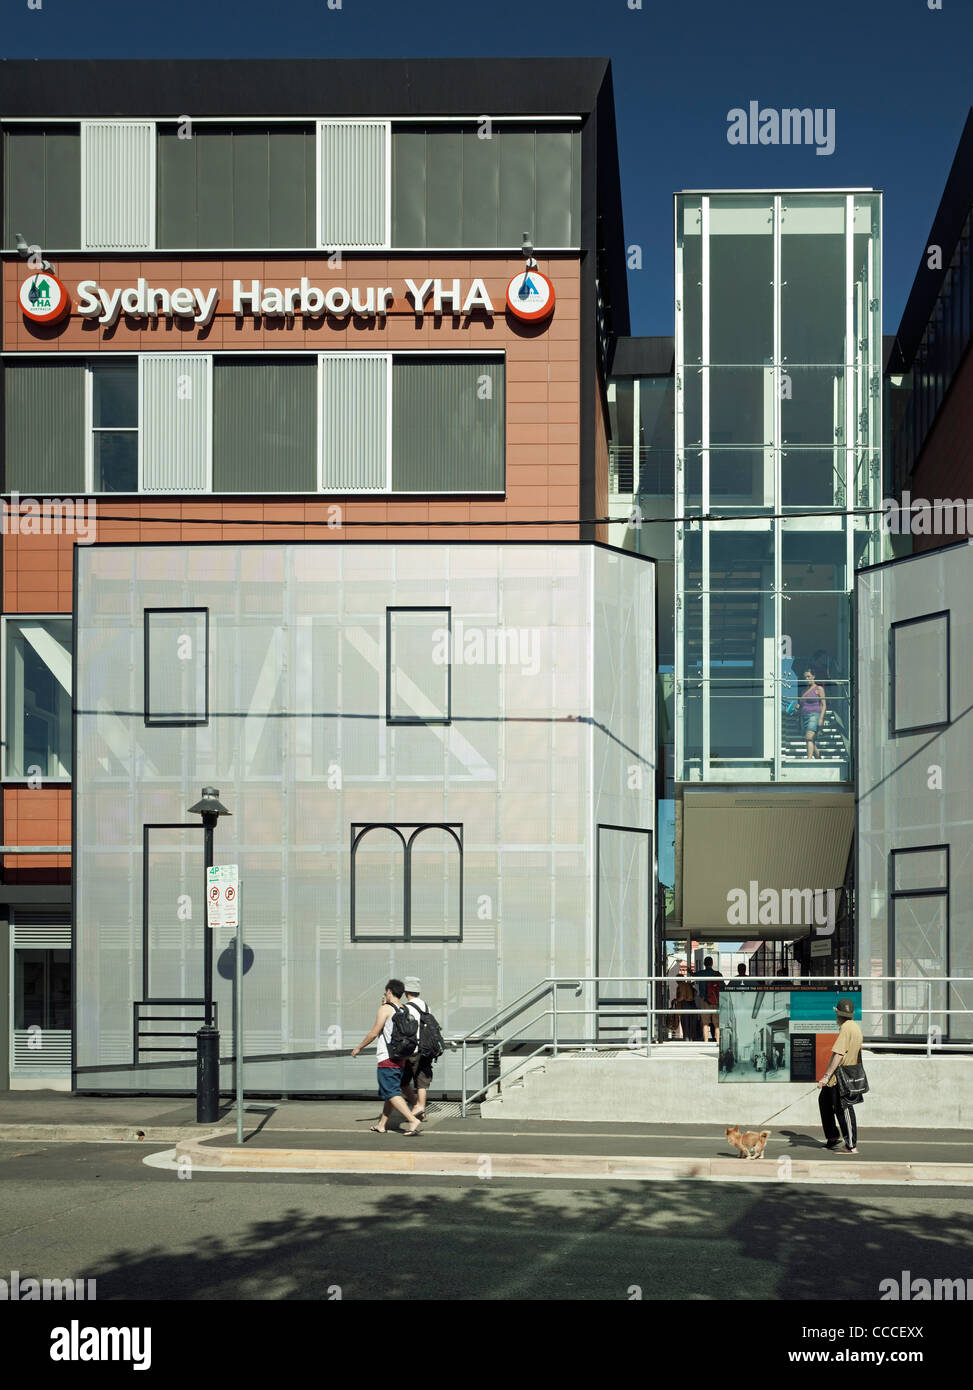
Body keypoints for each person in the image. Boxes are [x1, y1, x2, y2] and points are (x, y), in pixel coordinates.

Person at [351, 979, 421, 1135]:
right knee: (391, 1092)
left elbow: (374, 1032)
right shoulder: (404, 1009)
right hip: (401, 1057)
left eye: (385, 992)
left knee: (391, 1092)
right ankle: (382, 1124)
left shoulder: (385, 1009)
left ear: (389, 991)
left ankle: (411, 1119)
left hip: (387, 1057)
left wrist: (359, 1047)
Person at [817, 997, 864, 1154]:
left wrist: (826, 1076)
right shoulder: (854, 1027)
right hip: (840, 1075)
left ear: (839, 1014)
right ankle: (832, 1137)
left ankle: (851, 1145)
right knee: (824, 1100)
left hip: (841, 1075)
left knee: (844, 1108)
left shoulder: (846, 1028)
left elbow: (838, 1054)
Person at [401, 976, 434, 1122]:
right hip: (426, 1048)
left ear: (406, 991)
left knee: (403, 1082)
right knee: (421, 1080)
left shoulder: (407, 1008)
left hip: (412, 1049)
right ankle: (420, 1109)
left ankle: (418, 1106)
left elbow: (405, 1029)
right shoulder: (426, 1006)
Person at [799, 667, 827, 760]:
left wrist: (821, 718)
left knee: (809, 737)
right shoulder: (803, 691)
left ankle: (809, 758)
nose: (806, 679)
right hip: (804, 716)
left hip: (814, 715)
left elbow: (823, 705)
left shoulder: (819, 688)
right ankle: (818, 758)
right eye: (805, 677)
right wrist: (798, 707)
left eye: (808, 676)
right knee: (811, 740)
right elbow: (803, 704)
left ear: (813, 677)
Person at [695, 955, 724, 1043]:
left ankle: (706, 1042)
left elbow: (692, 975)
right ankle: (718, 1042)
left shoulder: (700, 973)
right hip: (715, 1000)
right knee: (717, 1024)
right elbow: (723, 986)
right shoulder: (718, 974)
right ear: (712, 963)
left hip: (704, 1000)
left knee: (705, 1023)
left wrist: (690, 971)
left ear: (704, 964)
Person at [674, 977, 702, 1042]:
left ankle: (686, 1038)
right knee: (692, 1022)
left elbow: (682, 997)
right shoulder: (688, 985)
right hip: (692, 1004)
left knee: (685, 1022)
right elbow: (695, 992)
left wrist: (676, 1000)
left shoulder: (681, 985)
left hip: (685, 1004)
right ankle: (692, 1038)